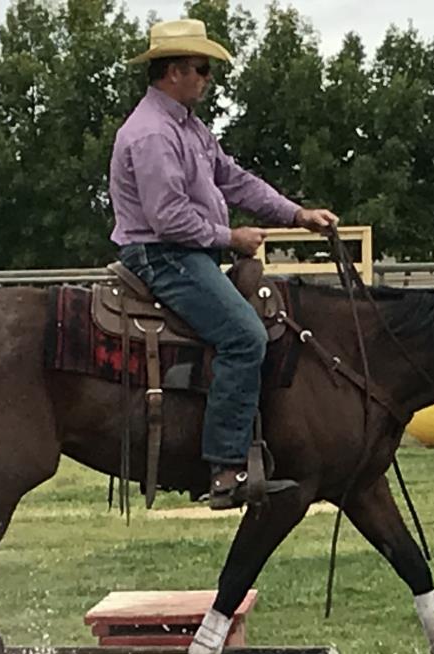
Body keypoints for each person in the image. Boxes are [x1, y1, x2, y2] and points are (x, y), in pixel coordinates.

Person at [109, 19, 338, 510]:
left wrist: (297, 214)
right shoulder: (151, 134)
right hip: (163, 256)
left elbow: (234, 180)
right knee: (243, 337)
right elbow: (167, 218)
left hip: (187, 253)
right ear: (174, 72)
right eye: (202, 68)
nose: (208, 78)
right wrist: (230, 237)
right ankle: (226, 466)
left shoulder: (188, 128)